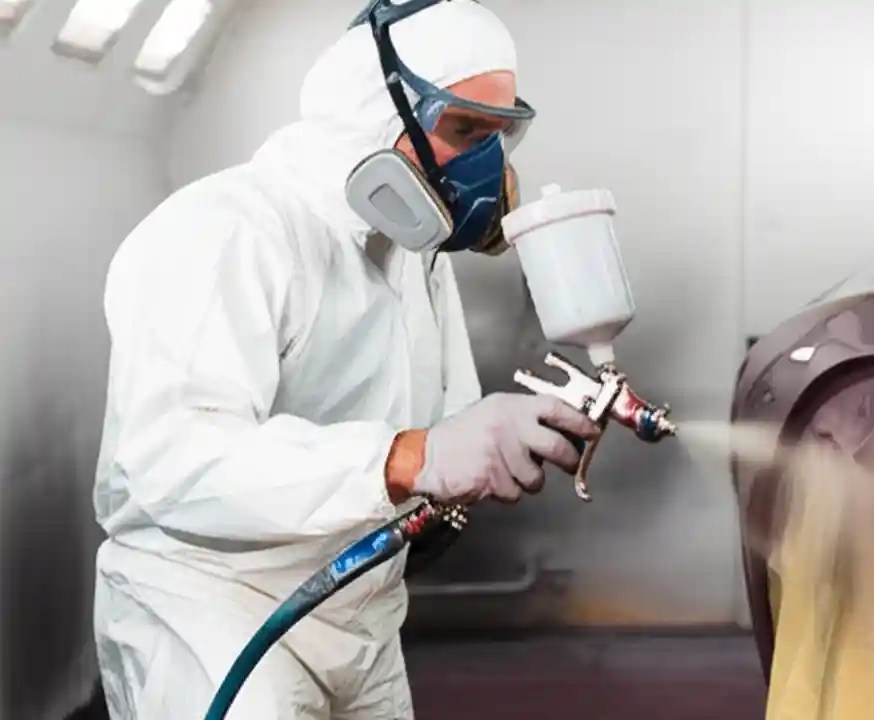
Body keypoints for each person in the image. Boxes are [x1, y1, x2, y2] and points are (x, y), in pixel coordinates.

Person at [91, 1, 597, 717]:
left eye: (498, 136)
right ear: (372, 109)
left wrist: (513, 438)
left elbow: (446, 431)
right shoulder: (225, 232)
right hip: (216, 613)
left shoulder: (415, 254)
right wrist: (412, 458)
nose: (488, 165)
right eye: (464, 130)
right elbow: (176, 460)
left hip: (360, 613)